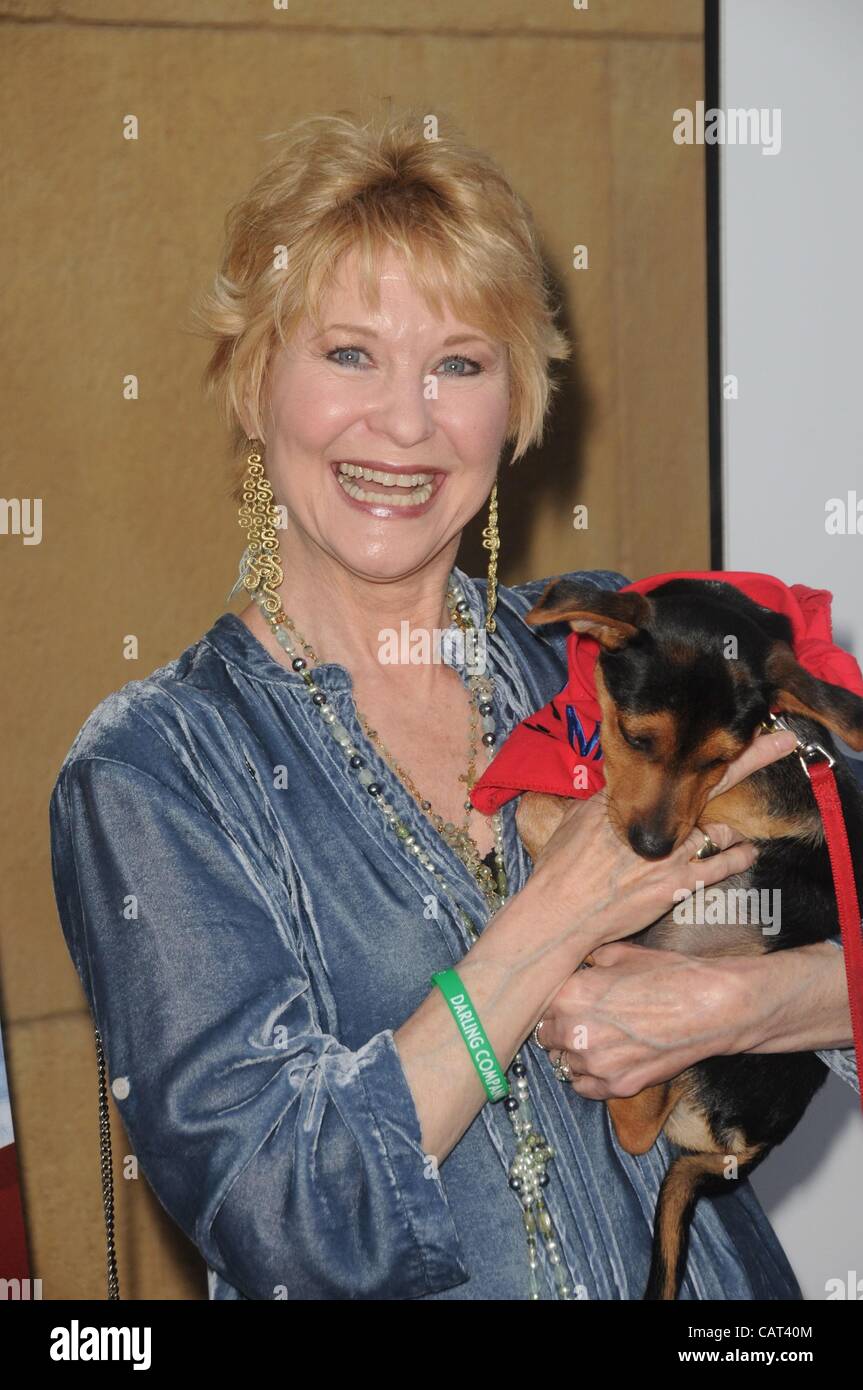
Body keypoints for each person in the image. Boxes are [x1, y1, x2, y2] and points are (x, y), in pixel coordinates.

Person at [49, 110, 858, 1301]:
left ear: (515, 405)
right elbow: (282, 1217)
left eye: (458, 364)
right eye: (347, 354)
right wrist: (559, 911)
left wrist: (743, 998)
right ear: (251, 375)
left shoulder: (621, 661)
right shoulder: (156, 769)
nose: (406, 421)